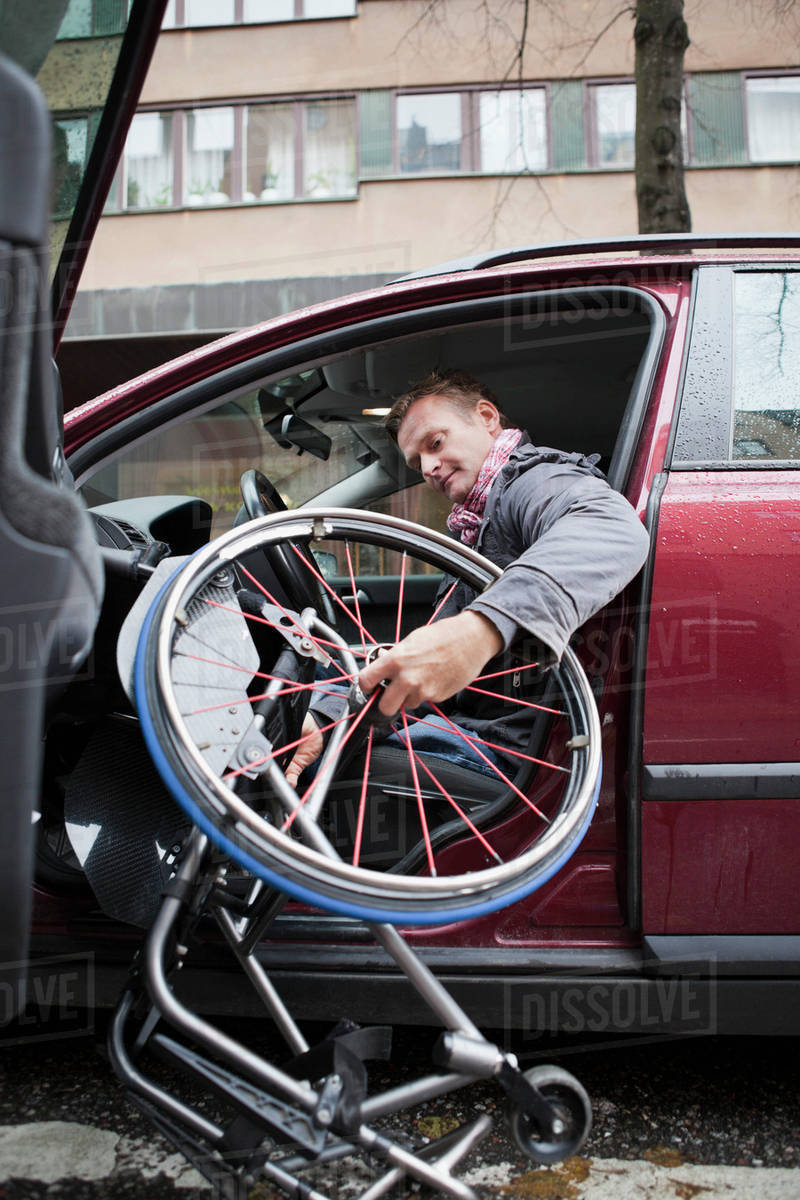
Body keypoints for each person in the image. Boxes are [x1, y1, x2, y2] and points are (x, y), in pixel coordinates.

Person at [285, 369, 650, 786]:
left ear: (487, 417)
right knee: (308, 708)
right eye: (416, 460)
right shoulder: (470, 525)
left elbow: (610, 527)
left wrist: (480, 630)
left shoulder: (531, 479)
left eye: (435, 443)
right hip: (469, 726)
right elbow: (431, 666)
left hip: (508, 751)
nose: (427, 467)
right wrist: (328, 716)